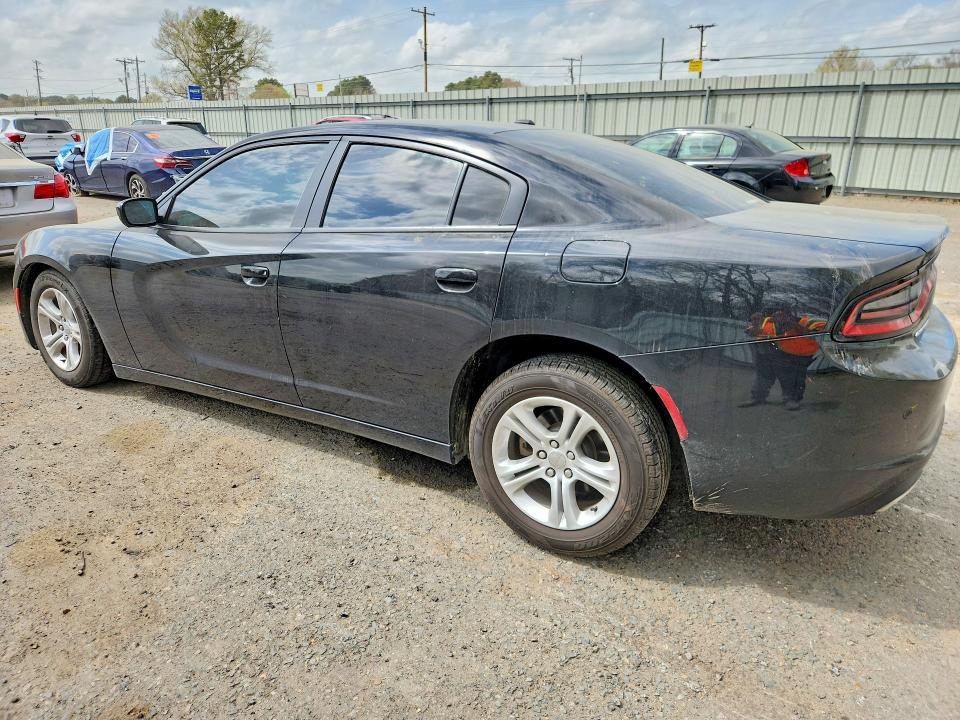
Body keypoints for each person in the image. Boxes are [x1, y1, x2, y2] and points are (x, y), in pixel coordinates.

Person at [740, 307, 826, 410]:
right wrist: (753, 331)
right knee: (763, 375)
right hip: (768, 353)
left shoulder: (803, 321)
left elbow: (815, 331)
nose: (779, 317)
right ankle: (757, 397)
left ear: (790, 315)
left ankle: (791, 399)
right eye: (776, 315)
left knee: (790, 377)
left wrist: (792, 324)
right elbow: (753, 331)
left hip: (794, 355)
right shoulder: (767, 322)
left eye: (782, 315)